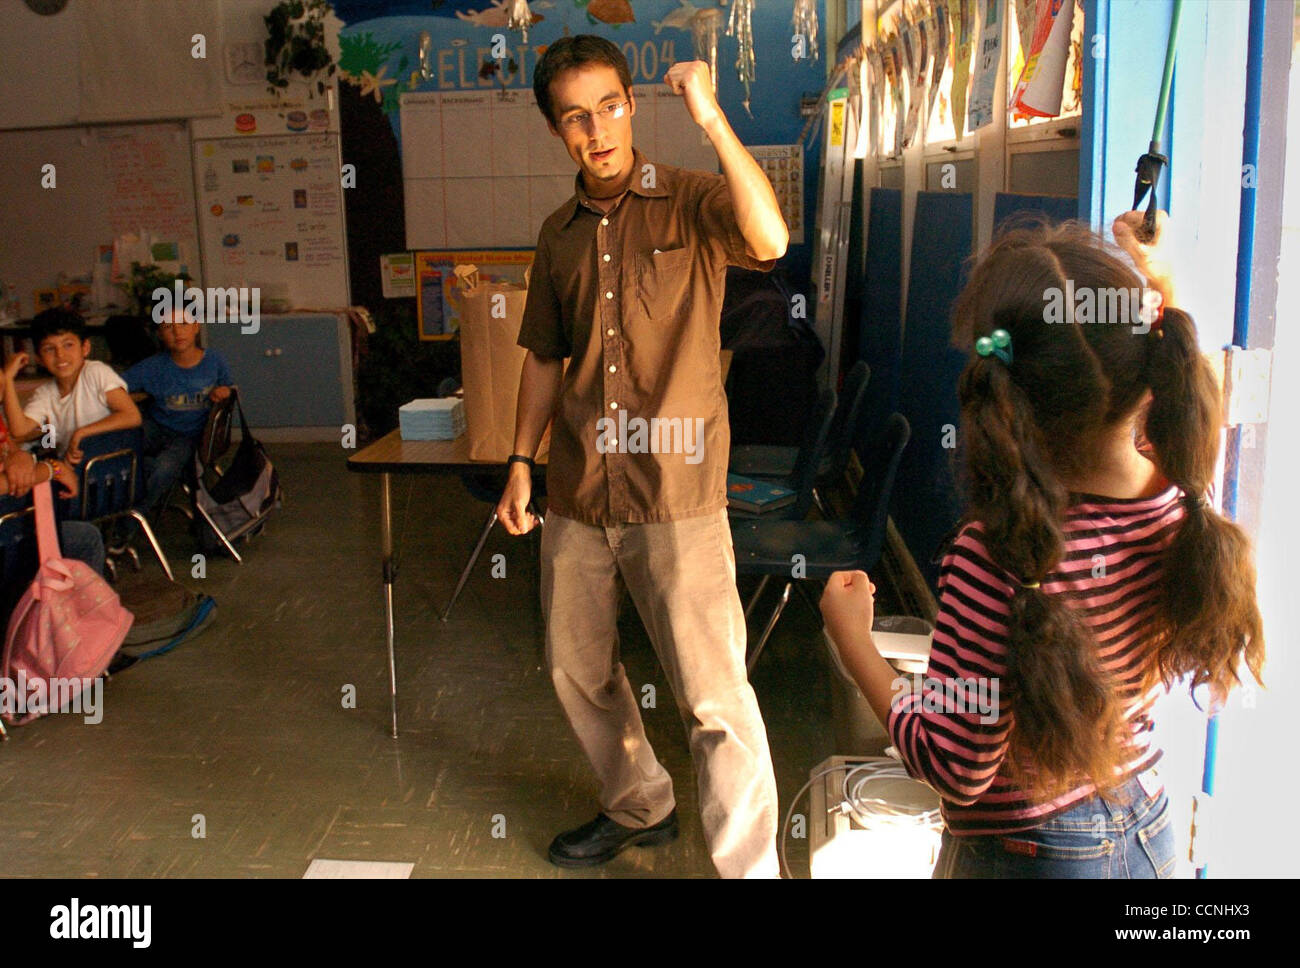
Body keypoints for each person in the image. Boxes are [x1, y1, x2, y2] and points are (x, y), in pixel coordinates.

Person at [820, 211, 1264, 878]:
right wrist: (1160, 280)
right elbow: (1185, 380)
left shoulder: (995, 560)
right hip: (1147, 827)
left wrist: (853, 638)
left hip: (1033, 855)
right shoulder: (1181, 495)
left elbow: (953, 766)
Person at [495, 35, 789, 877]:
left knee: (713, 697)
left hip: (678, 492)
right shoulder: (555, 238)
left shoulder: (691, 200)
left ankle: (750, 868)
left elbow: (768, 240)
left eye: (611, 106)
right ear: (559, 131)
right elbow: (544, 359)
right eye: (576, 117)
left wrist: (713, 119)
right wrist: (521, 460)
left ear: (634, 105)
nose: (598, 129)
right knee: (575, 668)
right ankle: (638, 804)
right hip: (581, 488)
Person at [123, 308, 234, 517]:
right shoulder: (152, 366)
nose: (176, 332)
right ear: (159, 335)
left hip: (190, 436)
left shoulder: (214, 361)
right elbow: (115, 387)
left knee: (163, 469)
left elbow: (232, 390)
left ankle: (131, 521)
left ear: (196, 327)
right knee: (117, 448)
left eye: (183, 324)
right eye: (167, 327)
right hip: (156, 427)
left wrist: (225, 392)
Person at [2, 308, 140, 464]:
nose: (60, 355)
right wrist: (7, 379)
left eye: (68, 345)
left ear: (85, 348)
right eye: (49, 349)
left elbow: (132, 416)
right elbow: (19, 429)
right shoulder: (45, 393)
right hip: (73, 467)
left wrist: (82, 432)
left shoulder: (96, 372)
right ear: (39, 358)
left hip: (108, 465)